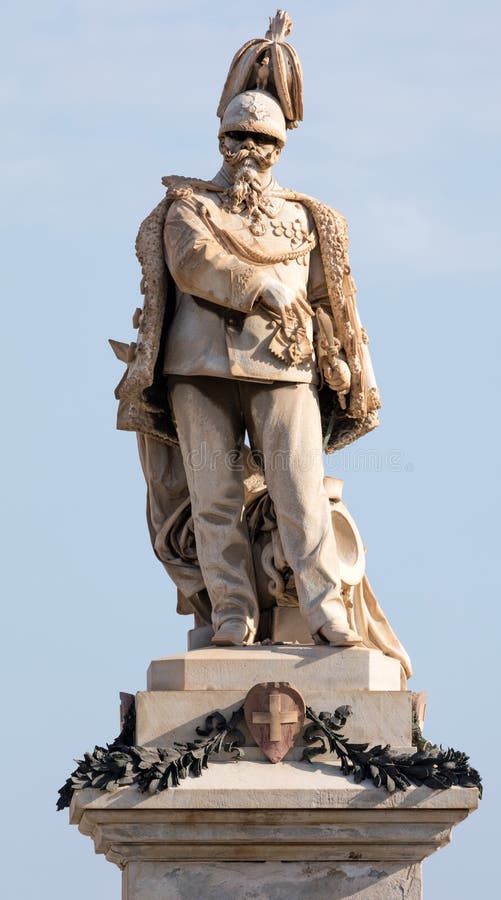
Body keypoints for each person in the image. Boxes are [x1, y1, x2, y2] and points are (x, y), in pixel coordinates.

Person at [112, 15, 382, 648]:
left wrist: (338, 356)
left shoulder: (308, 218)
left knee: (301, 490)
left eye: (261, 141)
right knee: (214, 495)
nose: (249, 153)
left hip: (287, 367)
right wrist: (256, 285)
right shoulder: (188, 207)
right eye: (238, 139)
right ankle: (232, 610)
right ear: (221, 139)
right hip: (197, 366)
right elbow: (194, 263)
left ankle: (322, 607)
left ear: (280, 147)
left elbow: (329, 296)